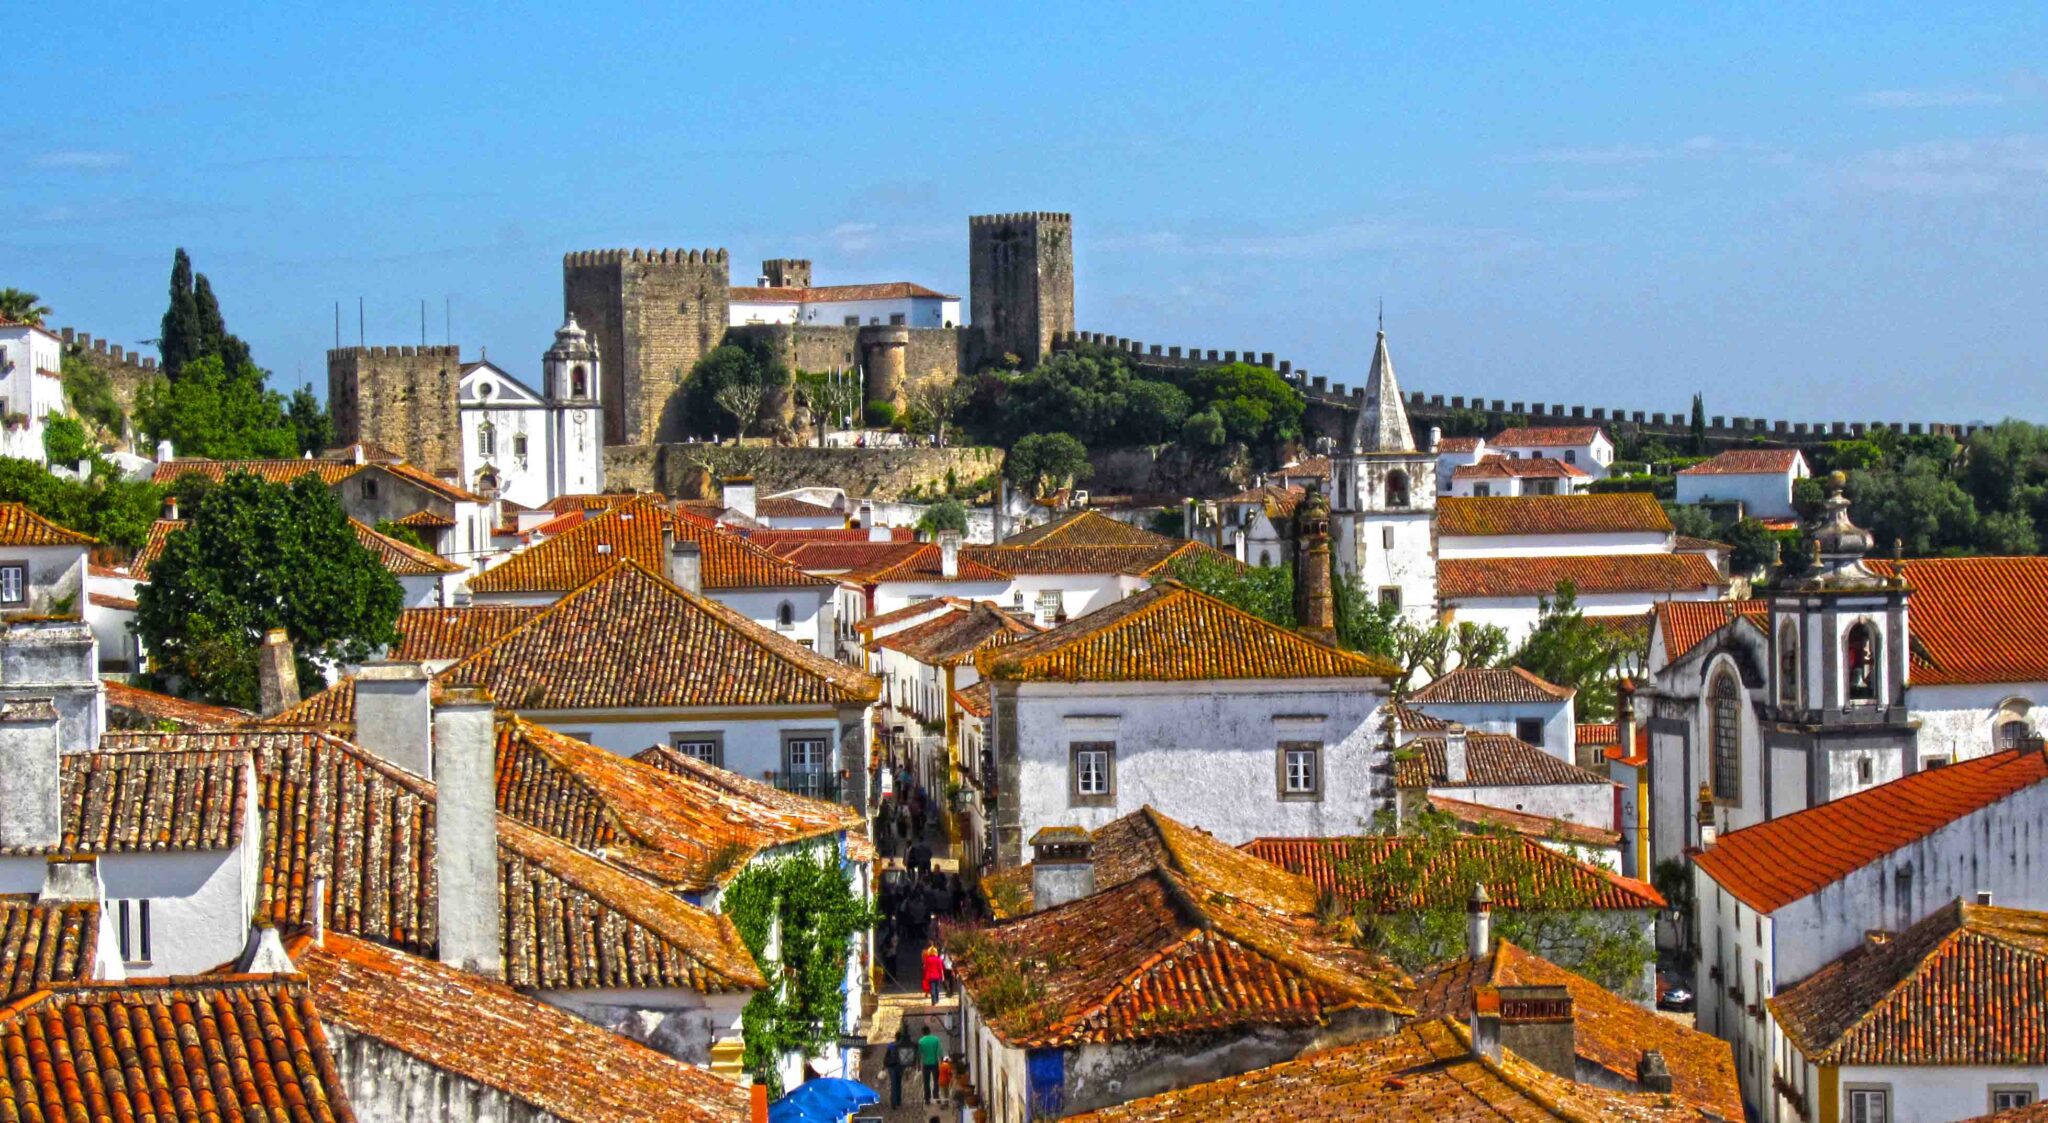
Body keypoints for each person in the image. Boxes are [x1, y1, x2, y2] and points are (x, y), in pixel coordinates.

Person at [883, 1026, 911, 1109]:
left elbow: (886, 1056)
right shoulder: (903, 1046)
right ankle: (898, 1101)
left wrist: (884, 1066)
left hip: (891, 1067)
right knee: (898, 1083)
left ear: (895, 1037)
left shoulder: (890, 1045)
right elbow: (906, 1058)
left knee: (893, 1084)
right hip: (900, 1067)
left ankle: (893, 1102)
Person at [917, 1024, 944, 1104]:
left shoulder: (921, 1041)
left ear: (922, 1032)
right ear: (929, 1031)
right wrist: (941, 1063)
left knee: (926, 1081)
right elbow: (940, 1052)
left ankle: (927, 1099)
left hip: (925, 1063)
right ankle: (936, 1095)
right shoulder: (936, 1039)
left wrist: (918, 1065)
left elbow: (918, 1054)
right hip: (934, 1063)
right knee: (936, 1080)